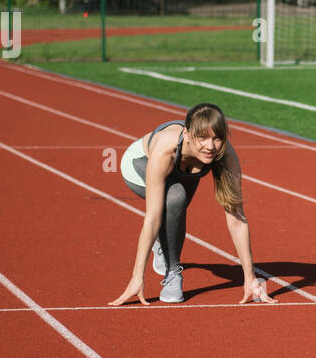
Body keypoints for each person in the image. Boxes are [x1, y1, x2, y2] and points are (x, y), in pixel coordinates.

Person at [108, 102, 275, 306]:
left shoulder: (224, 155)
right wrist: (137, 278)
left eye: (217, 138)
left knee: (175, 208)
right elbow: (152, 218)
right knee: (174, 198)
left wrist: (250, 279)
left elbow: (237, 219)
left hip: (186, 169)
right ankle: (173, 273)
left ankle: (163, 242)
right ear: (187, 135)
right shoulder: (165, 149)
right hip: (139, 162)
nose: (210, 146)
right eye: (203, 138)